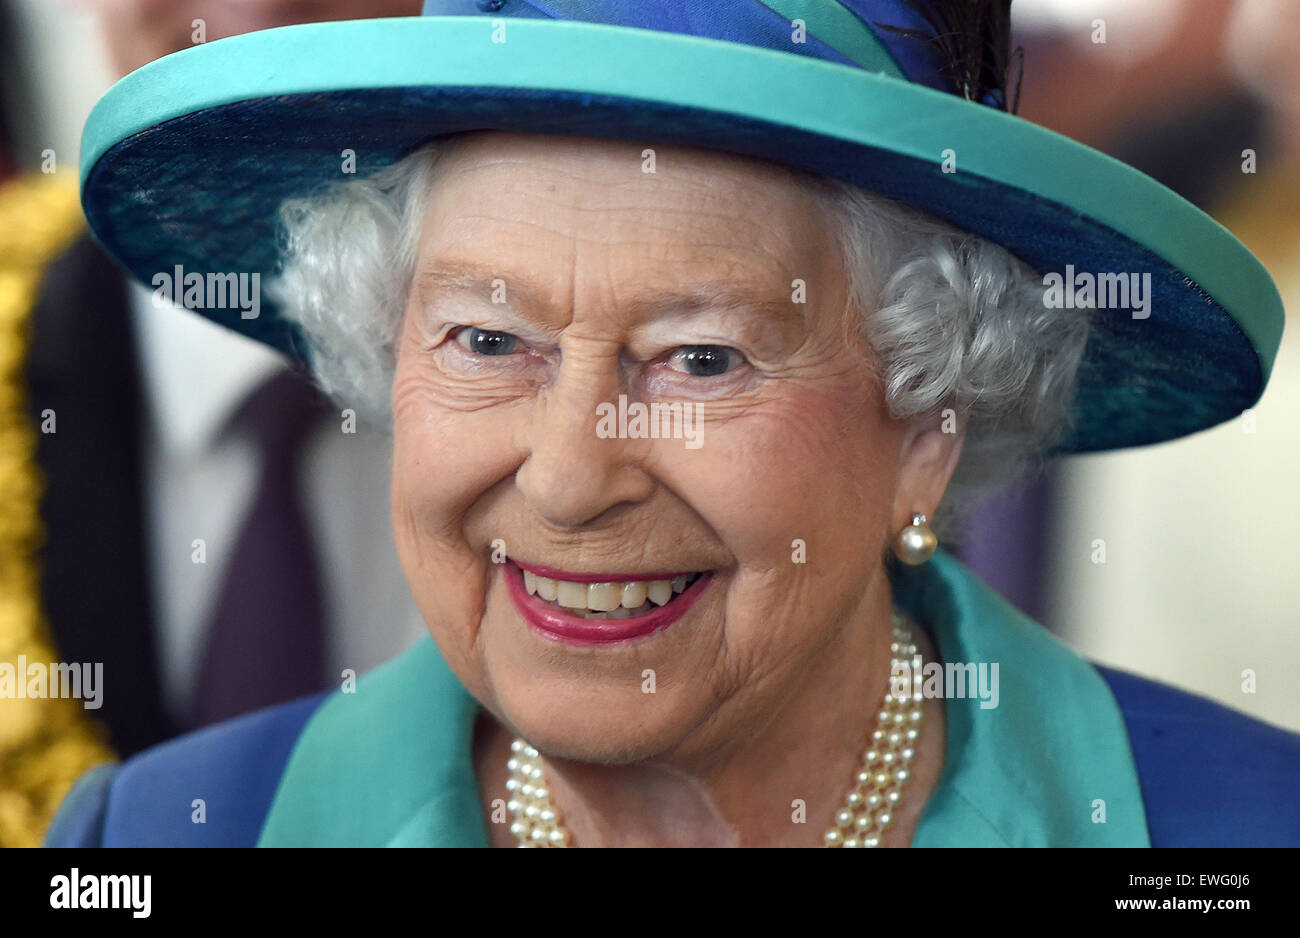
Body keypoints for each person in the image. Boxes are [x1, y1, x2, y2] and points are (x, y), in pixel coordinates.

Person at [45, 0, 1299, 847]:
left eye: (700, 357)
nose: (570, 477)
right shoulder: (152, 836)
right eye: (488, 340)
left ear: (927, 421)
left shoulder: (1230, 827)